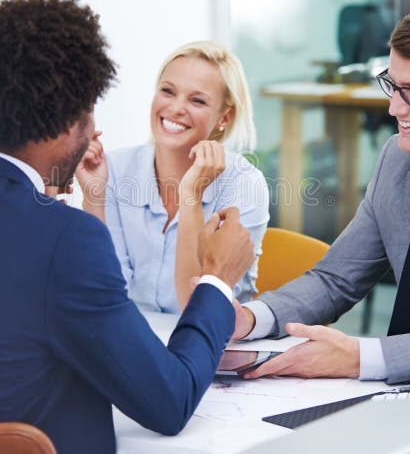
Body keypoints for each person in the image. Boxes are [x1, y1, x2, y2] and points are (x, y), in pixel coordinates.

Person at [0, 0, 255, 454]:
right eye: (89, 110)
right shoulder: (65, 238)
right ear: (66, 123)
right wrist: (217, 280)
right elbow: (170, 401)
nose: (92, 129)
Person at [233, 0, 410, 384]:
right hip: (402, 396)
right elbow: (336, 279)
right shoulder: (398, 159)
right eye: (392, 85)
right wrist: (251, 317)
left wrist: (363, 358)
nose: (394, 108)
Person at [75, 41, 269, 312]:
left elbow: (196, 307)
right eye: (168, 91)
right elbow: (103, 293)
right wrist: (94, 199)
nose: (176, 108)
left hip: (211, 336)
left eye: (197, 100)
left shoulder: (244, 184)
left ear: (225, 117)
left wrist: (191, 196)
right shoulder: (114, 169)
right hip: (133, 334)